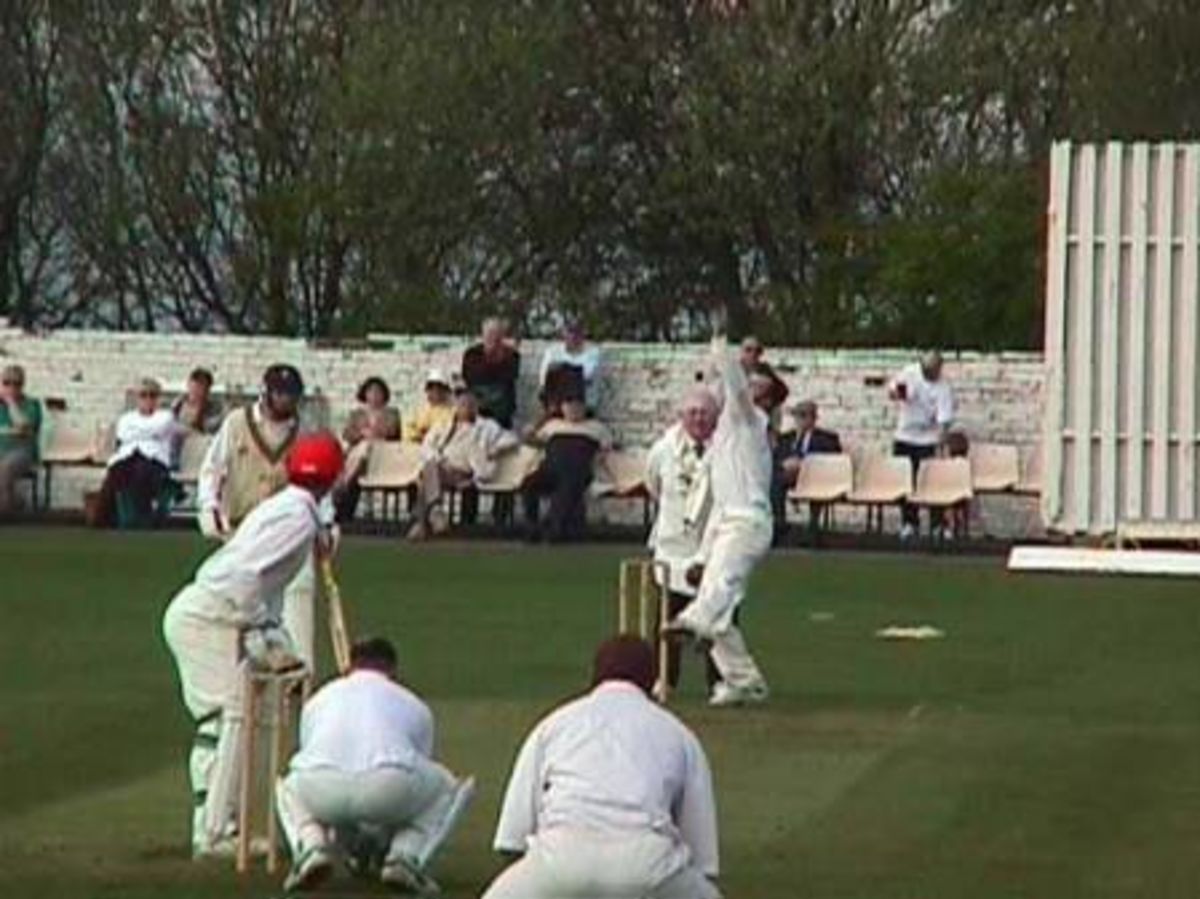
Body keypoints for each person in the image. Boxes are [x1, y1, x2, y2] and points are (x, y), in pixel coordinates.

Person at [162, 432, 343, 859]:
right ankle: (216, 832)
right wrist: (262, 631)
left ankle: (213, 824)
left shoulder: (293, 510)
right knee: (232, 716)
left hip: (214, 614)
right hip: (209, 616)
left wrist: (271, 631)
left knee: (223, 720)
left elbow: (261, 581)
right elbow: (243, 577)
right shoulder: (295, 517)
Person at [481, 635, 721, 899]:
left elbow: (510, 842)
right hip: (646, 863)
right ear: (653, 681)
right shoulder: (678, 734)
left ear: (595, 675)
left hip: (560, 859)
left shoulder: (554, 725)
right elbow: (702, 860)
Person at [275, 636, 476, 893]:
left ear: (350, 666)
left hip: (320, 786)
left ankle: (310, 846)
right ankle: (406, 855)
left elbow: (311, 754)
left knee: (289, 785)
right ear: (392, 669)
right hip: (389, 785)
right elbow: (414, 768)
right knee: (450, 787)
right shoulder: (412, 703)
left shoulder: (317, 700)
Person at [665, 336, 774, 707]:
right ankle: (744, 681)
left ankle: (692, 619)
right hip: (730, 522)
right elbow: (715, 509)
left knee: (720, 588)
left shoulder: (750, 422)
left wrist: (722, 353)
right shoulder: (718, 445)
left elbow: (737, 390)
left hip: (750, 522)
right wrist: (699, 558)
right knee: (722, 617)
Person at [198, 363, 326, 666]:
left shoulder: (305, 433)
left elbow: (319, 484)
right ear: (266, 392)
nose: (285, 402)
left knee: (297, 599)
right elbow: (213, 468)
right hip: (244, 530)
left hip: (291, 530)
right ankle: (243, 676)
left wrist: (326, 524)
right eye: (280, 394)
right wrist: (208, 505)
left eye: (290, 396)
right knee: (242, 607)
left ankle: (299, 674)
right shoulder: (236, 423)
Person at [645, 387, 719, 696]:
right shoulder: (664, 449)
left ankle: (720, 682)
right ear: (681, 416)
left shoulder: (725, 449)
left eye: (705, 413)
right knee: (666, 617)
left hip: (713, 546)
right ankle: (664, 679)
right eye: (693, 413)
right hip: (672, 547)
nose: (699, 419)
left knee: (718, 618)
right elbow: (653, 485)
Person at [408, 389, 518, 541]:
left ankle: (423, 521)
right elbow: (427, 446)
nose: (466, 408)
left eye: (470, 404)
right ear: (456, 407)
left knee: (426, 477)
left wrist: (496, 449)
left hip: (464, 471)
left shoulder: (487, 427)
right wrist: (439, 459)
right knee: (430, 468)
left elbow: (511, 438)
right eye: (462, 404)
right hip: (441, 466)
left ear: (476, 407)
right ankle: (435, 512)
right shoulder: (444, 425)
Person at [93, 377, 186, 528]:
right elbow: (123, 434)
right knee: (115, 473)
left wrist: (139, 432)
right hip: (128, 457)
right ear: (137, 398)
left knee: (140, 471)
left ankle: (139, 519)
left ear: (158, 398)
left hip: (154, 460)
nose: (148, 399)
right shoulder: (127, 418)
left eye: (152, 395)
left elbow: (159, 428)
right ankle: (103, 518)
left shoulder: (165, 416)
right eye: (144, 395)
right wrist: (149, 433)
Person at [521, 394, 612, 543]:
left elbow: (607, 449)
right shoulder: (553, 425)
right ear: (562, 408)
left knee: (566, 489)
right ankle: (532, 527)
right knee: (528, 484)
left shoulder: (596, 427)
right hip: (551, 468)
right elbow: (533, 441)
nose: (573, 409)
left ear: (584, 408)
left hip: (578, 469)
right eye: (569, 405)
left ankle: (553, 530)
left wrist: (599, 459)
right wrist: (530, 431)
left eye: (577, 406)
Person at [889, 350, 955, 540]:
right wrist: (898, 393)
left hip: (928, 438)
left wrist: (941, 444)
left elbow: (944, 421)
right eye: (926, 370)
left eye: (933, 371)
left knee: (932, 484)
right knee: (905, 483)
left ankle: (937, 525)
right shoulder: (910, 373)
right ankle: (909, 523)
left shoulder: (943, 388)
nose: (929, 374)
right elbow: (893, 390)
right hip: (904, 435)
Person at [336, 376, 401, 522]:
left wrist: (371, 434)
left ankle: (343, 485)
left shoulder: (392, 413)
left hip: (383, 457)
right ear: (365, 394)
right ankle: (347, 486)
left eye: (378, 392)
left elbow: (392, 431)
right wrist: (362, 434)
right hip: (360, 457)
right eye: (371, 391)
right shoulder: (356, 414)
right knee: (362, 448)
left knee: (366, 446)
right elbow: (347, 434)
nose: (374, 395)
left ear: (384, 395)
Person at [461, 318, 521, 428]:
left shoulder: (512, 355)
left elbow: (508, 376)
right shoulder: (471, 354)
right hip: (477, 408)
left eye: (496, 335)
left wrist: (499, 355)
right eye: (489, 334)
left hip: (501, 411)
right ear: (483, 335)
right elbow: (471, 376)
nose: (492, 338)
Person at [0, 364, 42, 518]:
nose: (11, 387)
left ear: (22, 385)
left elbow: (23, 425)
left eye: (16, 383)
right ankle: (15, 501)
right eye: (6, 383)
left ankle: (4, 511)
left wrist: (11, 402)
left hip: (21, 452)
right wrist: (12, 431)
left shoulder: (31, 404)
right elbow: (17, 430)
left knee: (5, 468)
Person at [538, 320, 602, 414]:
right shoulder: (552, 352)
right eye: (570, 332)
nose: (573, 336)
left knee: (574, 380)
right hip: (557, 399)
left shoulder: (593, 353)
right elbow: (544, 376)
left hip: (581, 400)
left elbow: (587, 374)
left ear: (583, 335)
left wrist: (564, 372)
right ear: (564, 334)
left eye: (577, 332)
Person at [404, 369, 456, 446]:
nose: (435, 392)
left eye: (439, 388)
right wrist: (420, 437)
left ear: (445, 390)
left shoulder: (453, 411)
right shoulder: (419, 410)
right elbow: (408, 430)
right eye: (431, 388)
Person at [172, 367, 223, 435]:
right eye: (195, 385)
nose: (198, 390)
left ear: (208, 390)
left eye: (201, 385)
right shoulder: (178, 404)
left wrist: (199, 416)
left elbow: (212, 430)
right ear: (188, 384)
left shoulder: (216, 409)